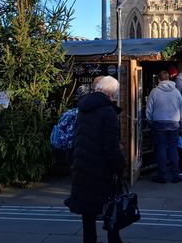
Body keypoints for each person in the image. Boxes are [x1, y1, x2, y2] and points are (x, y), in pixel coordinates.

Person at [65, 76, 126, 243]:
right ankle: (114, 240)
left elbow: (77, 136)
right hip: (101, 170)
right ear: (111, 93)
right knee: (111, 208)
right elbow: (111, 147)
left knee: (88, 212)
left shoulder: (83, 108)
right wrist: (120, 166)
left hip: (82, 166)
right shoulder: (109, 113)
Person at [145, 70, 182, 183]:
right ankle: (175, 174)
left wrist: (150, 121)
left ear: (159, 79)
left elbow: (149, 109)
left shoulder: (154, 92)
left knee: (161, 149)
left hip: (159, 123)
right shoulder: (176, 92)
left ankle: (162, 175)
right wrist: (181, 123)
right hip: (173, 123)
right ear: (169, 79)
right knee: (173, 149)